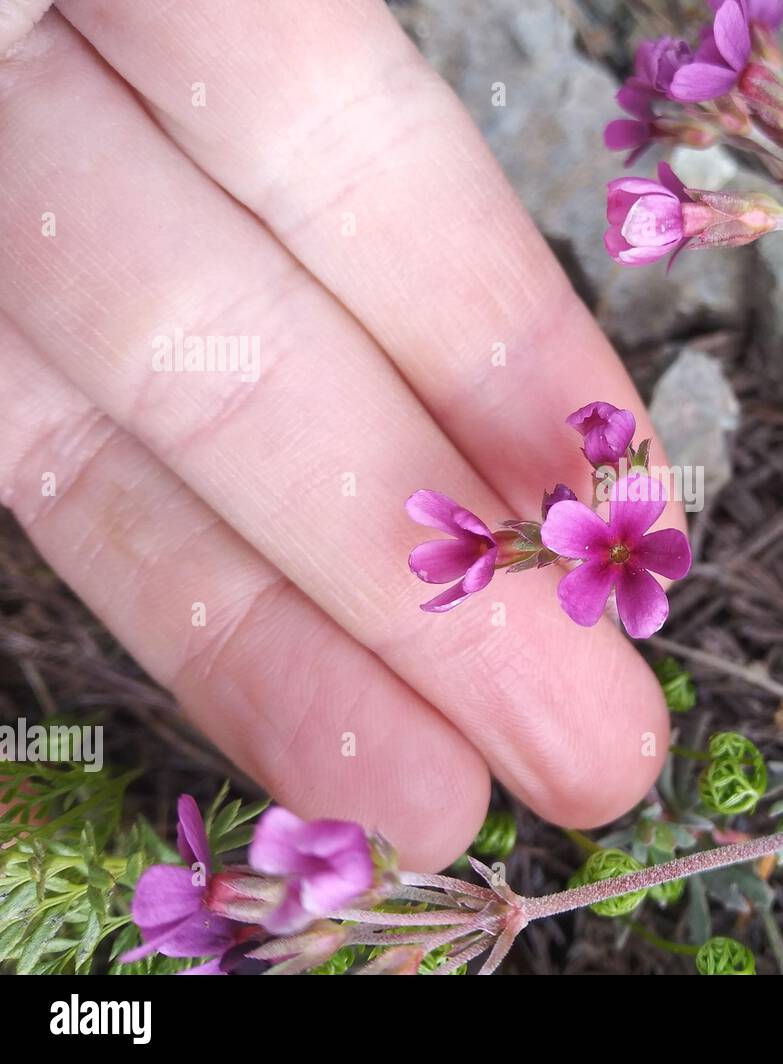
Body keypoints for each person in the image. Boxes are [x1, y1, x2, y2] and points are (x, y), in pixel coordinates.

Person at [0, 0, 684, 869]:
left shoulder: (611, 552)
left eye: (616, 557)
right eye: (616, 553)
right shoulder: (592, 545)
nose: (620, 556)